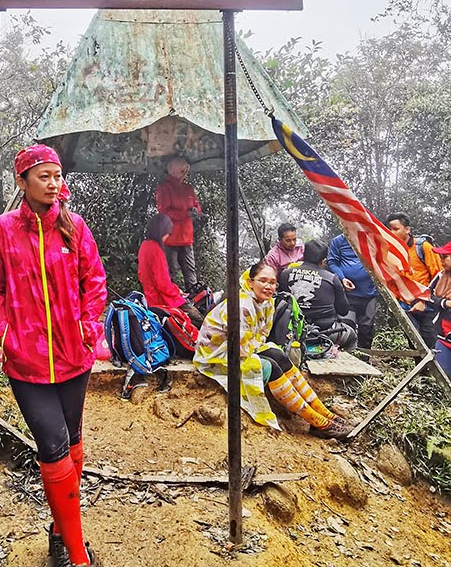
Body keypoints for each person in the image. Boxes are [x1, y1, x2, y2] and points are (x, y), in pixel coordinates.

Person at [0, 145, 107, 567]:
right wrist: (0, 333)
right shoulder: (3, 229)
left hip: (73, 358)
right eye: (44, 175)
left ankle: (60, 531)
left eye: (58, 175)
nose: (54, 183)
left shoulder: (74, 227)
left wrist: (89, 325)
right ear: (22, 181)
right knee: (53, 446)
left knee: (73, 442)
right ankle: (79, 564)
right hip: (27, 361)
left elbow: (94, 280)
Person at [192, 260, 353, 439]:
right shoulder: (243, 306)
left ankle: (324, 413)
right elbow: (240, 349)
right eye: (262, 281)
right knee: (271, 366)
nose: (268, 286)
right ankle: (318, 422)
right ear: (250, 282)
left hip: (243, 348)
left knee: (280, 356)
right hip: (217, 355)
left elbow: (261, 335)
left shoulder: (266, 302)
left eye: (272, 282)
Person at [279, 239, 357, 350]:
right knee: (352, 336)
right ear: (323, 261)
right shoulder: (331, 278)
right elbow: (343, 311)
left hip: (293, 330)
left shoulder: (286, 274)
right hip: (325, 331)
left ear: (303, 255)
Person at [137, 214, 203, 327]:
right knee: (200, 320)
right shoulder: (156, 250)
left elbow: (142, 275)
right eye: (168, 232)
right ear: (162, 231)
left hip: (150, 298)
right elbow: (163, 284)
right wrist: (177, 291)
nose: (168, 236)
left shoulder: (144, 246)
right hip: (163, 300)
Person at [386, 212, 440, 349]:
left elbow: (438, 277)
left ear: (407, 229)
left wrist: (423, 301)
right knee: (413, 342)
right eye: (389, 229)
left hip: (426, 304)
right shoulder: (391, 251)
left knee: (430, 340)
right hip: (404, 304)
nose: (392, 232)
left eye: (396, 229)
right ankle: (419, 364)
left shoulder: (422, 247)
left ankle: (434, 363)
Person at [155, 156, 202, 292]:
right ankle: (169, 298)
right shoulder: (164, 188)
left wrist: (196, 211)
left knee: (190, 270)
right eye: (182, 170)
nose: (185, 173)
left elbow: (197, 205)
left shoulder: (188, 188)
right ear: (172, 170)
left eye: (186, 170)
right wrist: (186, 214)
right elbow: (164, 212)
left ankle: (195, 299)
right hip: (170, 237)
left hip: (186, 236)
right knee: (171, 271)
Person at [327, 233, 379, 349]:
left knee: (366, 329)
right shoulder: (338, 241)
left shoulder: (371, 239)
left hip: (369, 293)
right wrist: (342, 278)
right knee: (346, 328)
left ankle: (365, 356)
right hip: (347, 295)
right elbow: (332, 261)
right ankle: (346, 356)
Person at [429, 241, 451, 378]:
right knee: (442, 375)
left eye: (445, 257)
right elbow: (427, 296)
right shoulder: (440, 276)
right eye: (441, 257)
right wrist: (444, 303)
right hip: (444, 336)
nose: (441, 261)